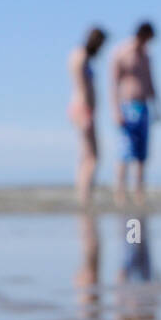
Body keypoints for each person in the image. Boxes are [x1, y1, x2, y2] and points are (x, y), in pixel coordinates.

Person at [110, 22, 161, 207]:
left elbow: (151, 81)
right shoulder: (121, 52)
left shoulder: (147, 55)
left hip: (144, 106)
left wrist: (158, 108)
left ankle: (139, 194)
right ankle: (120, 194)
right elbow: (113, 84)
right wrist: (116, 110)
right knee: (125, 152)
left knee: (141, 155)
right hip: (127, 106)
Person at [67, 27, 107, 208]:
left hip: (83, 109)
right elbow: (81, 87)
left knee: (85, 155)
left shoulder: (82, 56)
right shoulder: (80, 55)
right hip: (83, 109)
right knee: (92, 156)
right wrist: (86, 113)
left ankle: (83, 195)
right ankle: (85, 197)